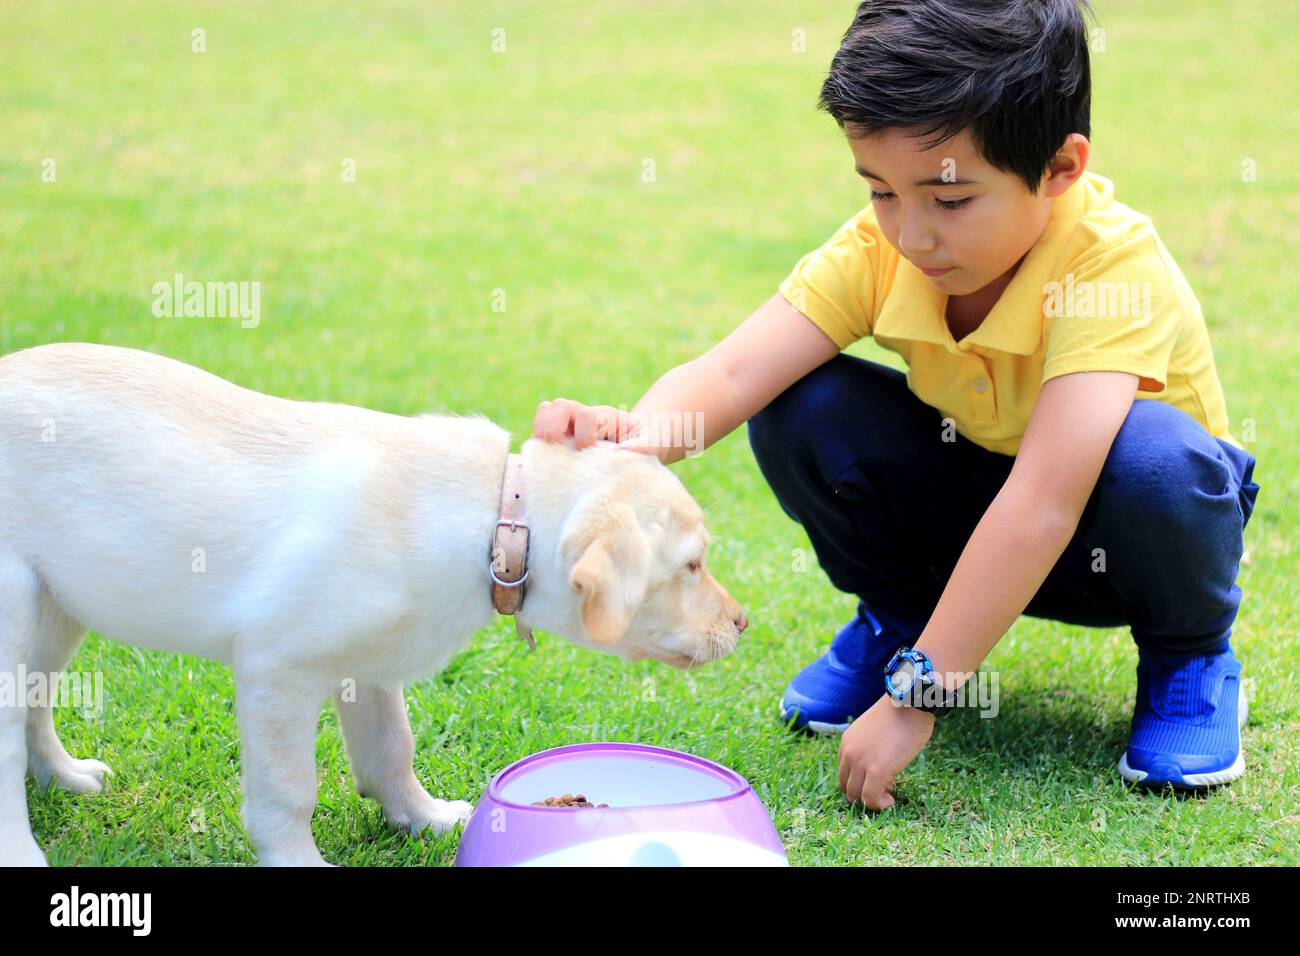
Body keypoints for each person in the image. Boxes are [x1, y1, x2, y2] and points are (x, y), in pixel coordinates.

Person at [532, 0, 1260, 809]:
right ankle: (902, 615)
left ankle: (1189, 657)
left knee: (1157, 458)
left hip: (1117, 548)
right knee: (799, 400)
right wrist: (622, 449)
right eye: (882, 191)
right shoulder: (880, 248)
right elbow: (735, 374)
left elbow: (1044, 504)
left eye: (950, 201)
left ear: (1058, 169)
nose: (911, 236)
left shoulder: (1109, 269)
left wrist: (919, 698)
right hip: (981, 514)